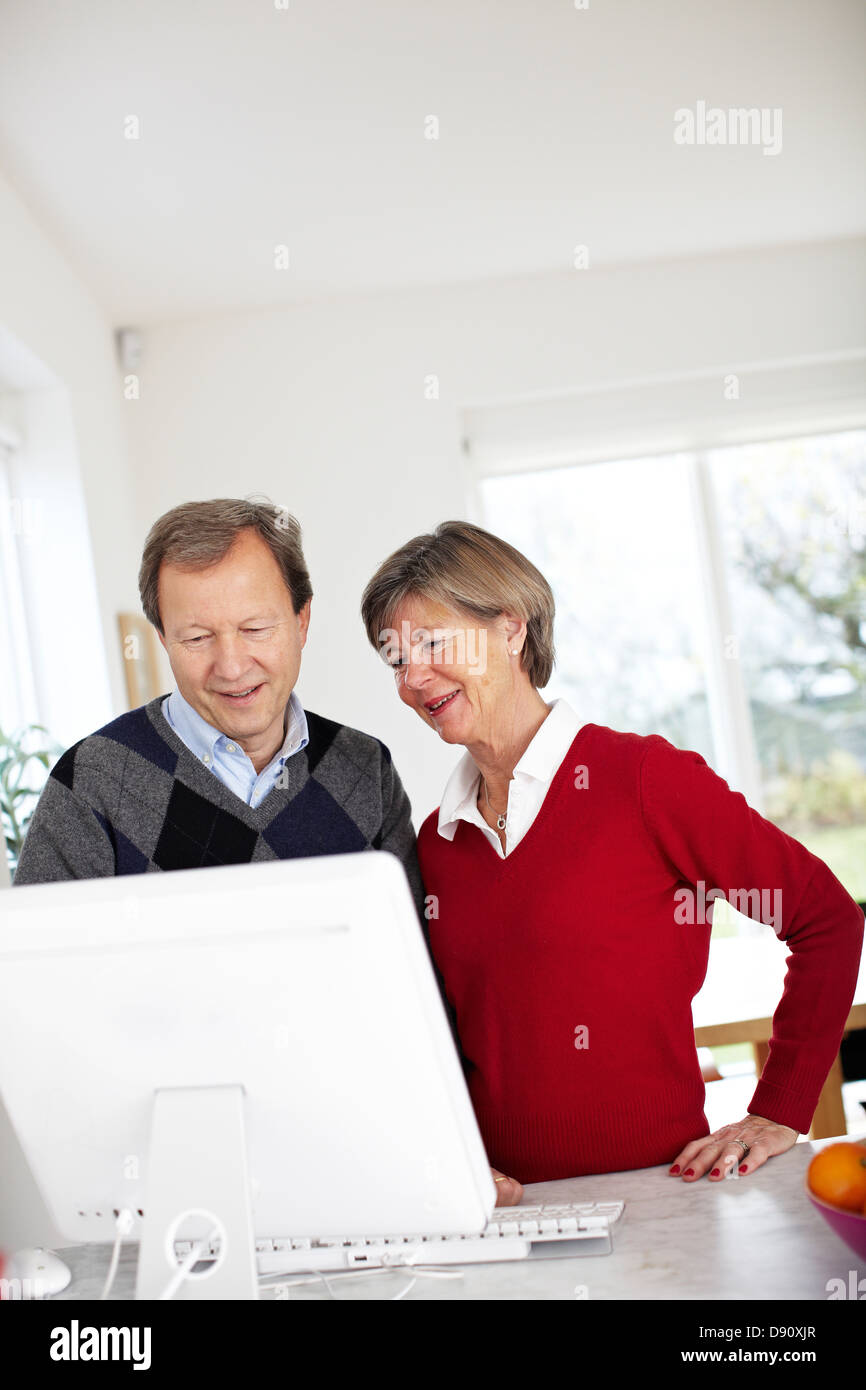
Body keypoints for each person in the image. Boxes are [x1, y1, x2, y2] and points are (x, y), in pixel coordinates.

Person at [361, 519, 865, 1206]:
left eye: (434, 643)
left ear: (512, 630)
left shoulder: (643, 780)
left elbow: (825, 918)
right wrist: (452, 1159)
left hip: (663, 1197)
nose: (413, 677)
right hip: (505, 1214)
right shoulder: (435, 841)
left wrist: (780, 1107)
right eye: (395, 659)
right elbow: (433, 1031)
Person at [14, 498, 421, 909]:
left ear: (302, 621)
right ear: (162, 639)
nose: (230, 667)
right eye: (196, 638)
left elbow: (410, 959)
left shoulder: (365, 769)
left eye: (256, 628)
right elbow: (39, 965)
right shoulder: (91, 782)